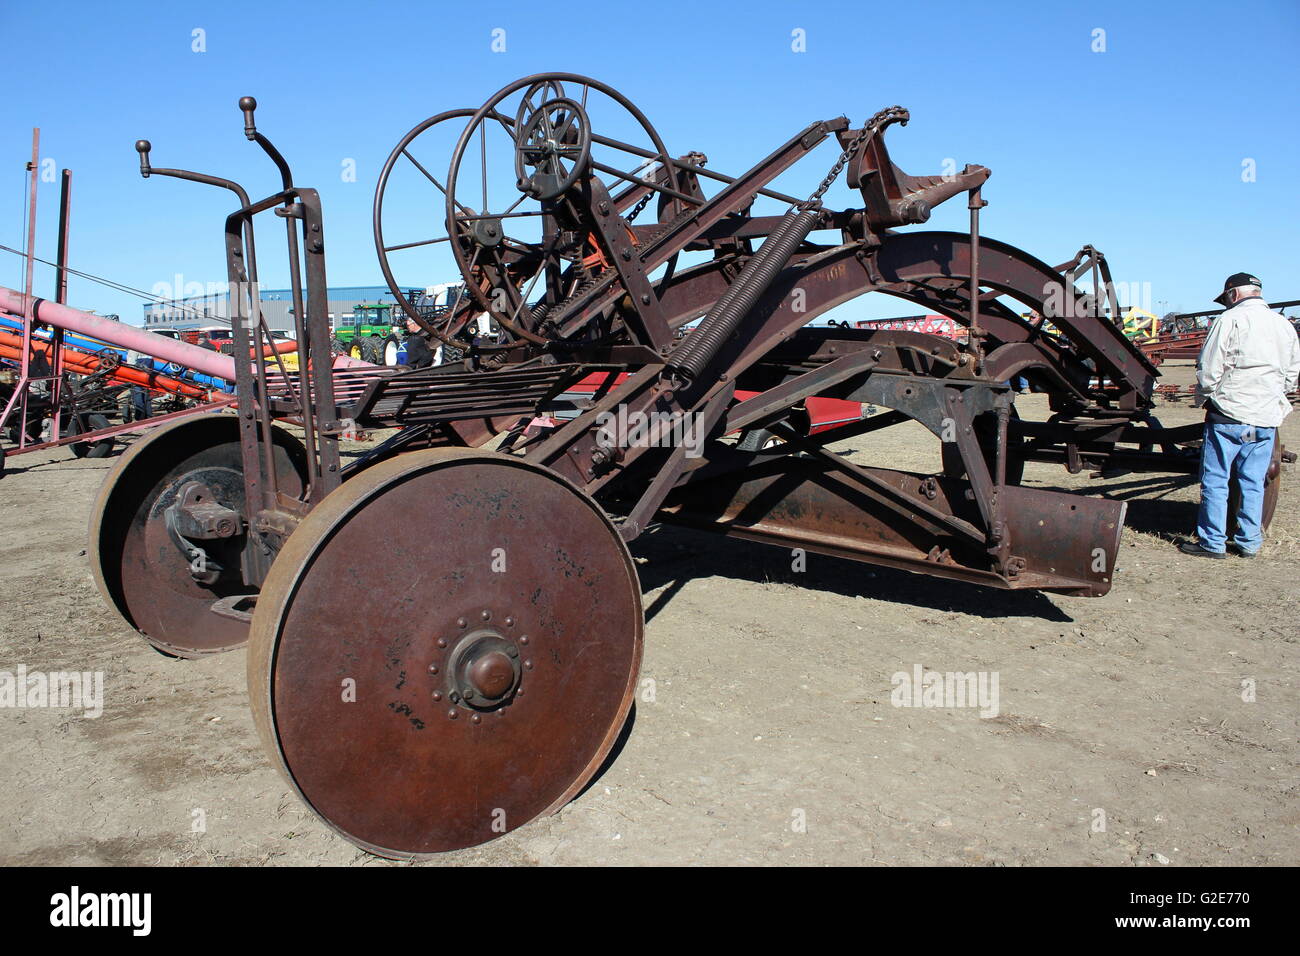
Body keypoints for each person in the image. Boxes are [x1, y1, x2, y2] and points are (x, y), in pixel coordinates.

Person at [1179, 272, 1300, 559]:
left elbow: (1209, 369)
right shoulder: (1284, 325)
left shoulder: (1229, 320)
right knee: (1252, 482)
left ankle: (1212, 543)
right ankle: (1249, 543)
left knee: (1217, 480)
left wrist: (1208, 395)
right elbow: (1292, 374)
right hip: (1265, 419)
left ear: (1233, 295)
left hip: (1229, 417)